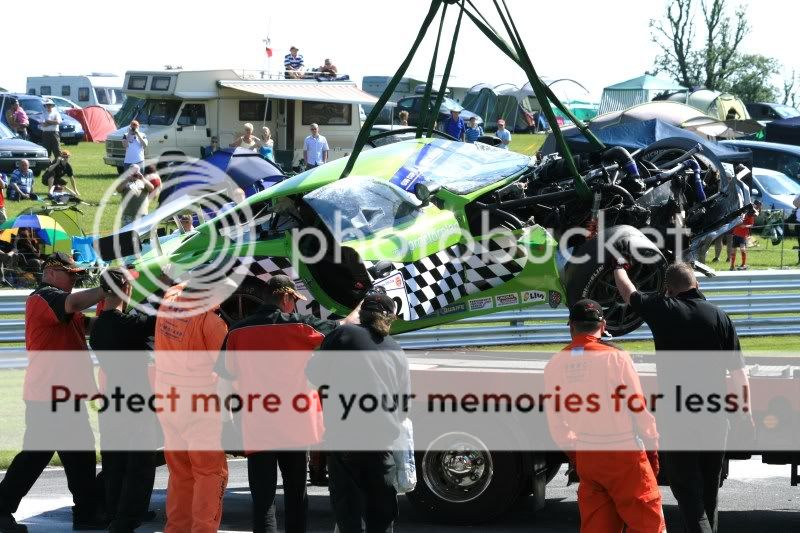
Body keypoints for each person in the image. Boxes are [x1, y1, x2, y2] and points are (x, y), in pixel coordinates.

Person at [614, 261, 753, 533]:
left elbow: (627, 292)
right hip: (715, 414)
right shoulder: (719, 316)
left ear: (668, 290)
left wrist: (618, 265)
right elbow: (739, 374)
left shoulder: (664, 309)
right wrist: (745, 414)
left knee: (687, 489)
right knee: (710, 489)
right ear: (697, 284)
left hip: (678, 415)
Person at [220, 275, 359, 533]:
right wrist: (361, 305)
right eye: (294, 300)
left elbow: (225, 378)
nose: (294, 306)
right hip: (295, 425)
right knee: (296, 496)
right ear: (285, 297)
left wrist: (227, 421)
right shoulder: (301, 326)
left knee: (263, 500)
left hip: (257, 425)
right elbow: (342, 327)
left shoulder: (237, 332)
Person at [0, 253, 107, 533]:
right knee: (38, 455)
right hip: (48, 394)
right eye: (70, 274)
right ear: (50, 272)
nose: (75, 279)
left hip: (62, 395)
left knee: (80, 454)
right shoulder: (45, 297)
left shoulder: (61, 304)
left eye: (76, 275)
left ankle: (86, 511)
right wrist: (106, 288)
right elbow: (74, 302)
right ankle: (0, 508)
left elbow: (89, 325)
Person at [544, 299, 664, 533]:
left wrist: (576, 454)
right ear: (603, 325)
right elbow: (637, 406)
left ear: (571, 326)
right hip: (624, 454)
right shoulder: (616, 357)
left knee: (597, 526)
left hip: (588, 454)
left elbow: (556, 422)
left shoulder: (556, 363)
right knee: (648, 525)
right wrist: (651, 448)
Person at [306, 287, 410, 533]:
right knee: (382, 512)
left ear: (363, 314)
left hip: (345, 439)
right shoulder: (395, 349)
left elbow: (313, 376)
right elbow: (403, 406)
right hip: (381, 441)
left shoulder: (342, 335)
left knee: (348, 510)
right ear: (389, 318)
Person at [154, 277, 230, 533]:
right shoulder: (212, 323)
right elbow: (228, 368)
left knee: (180, 472)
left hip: (167, 398)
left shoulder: (169, 301)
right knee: (210, 472)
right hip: (199, 403)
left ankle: (176, 529)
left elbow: (177, 284)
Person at [89, 268, 158, 533]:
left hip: (111, 400)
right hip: (136, 400)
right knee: (139, 464)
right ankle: (127, 517)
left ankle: (114, 511)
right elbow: (153, 318)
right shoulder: (129, 326)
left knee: (115, 462)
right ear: (124, 291)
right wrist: (163, 285)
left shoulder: (98, 328)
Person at [730, 201, 759, 271]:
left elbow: (751, 225)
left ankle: (743, 264)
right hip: (736, 233)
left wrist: (745, 226)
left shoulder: (751, 216)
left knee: (742, 249)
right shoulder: (741, 214)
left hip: (743, 235)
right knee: (733, 250)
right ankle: (732, 266)